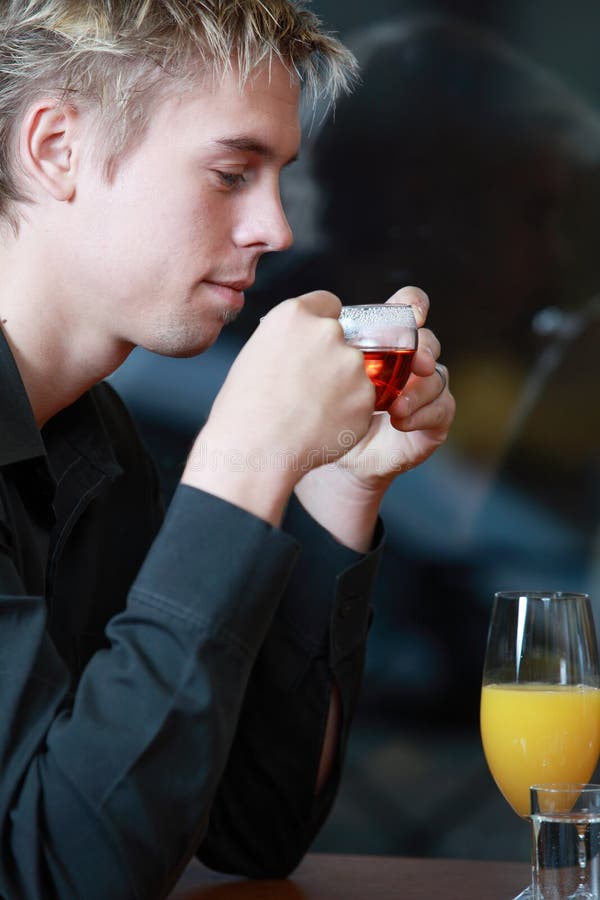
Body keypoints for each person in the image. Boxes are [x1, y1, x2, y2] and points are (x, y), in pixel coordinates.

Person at [0, 2, 454, 898]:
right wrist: (244, 460)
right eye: (231, 172)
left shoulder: (102, 447)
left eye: (277, 175)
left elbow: (255, 825)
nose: (275, 229)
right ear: (55, 149)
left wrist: (333, 484)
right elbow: (53, 867)